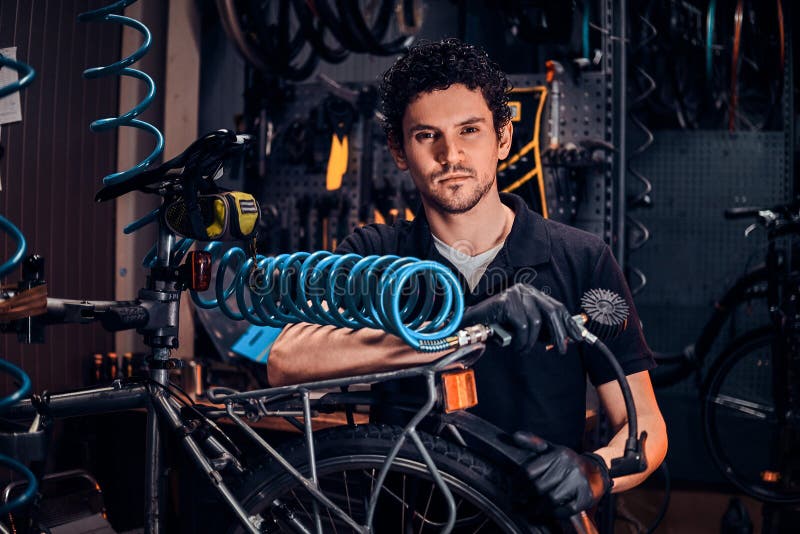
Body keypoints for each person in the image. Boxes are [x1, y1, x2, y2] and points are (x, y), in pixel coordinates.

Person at [267, 38, 667, 518]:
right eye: (425, 135)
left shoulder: (581, 258)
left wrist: (597, 470)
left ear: (503, 138)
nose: (450, 154)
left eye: (470, 130)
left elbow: (644, 422)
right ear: (399, 150)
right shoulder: (375, 255)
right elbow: (286, 361)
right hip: (408, 521)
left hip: (534, 521)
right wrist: (459, 331)